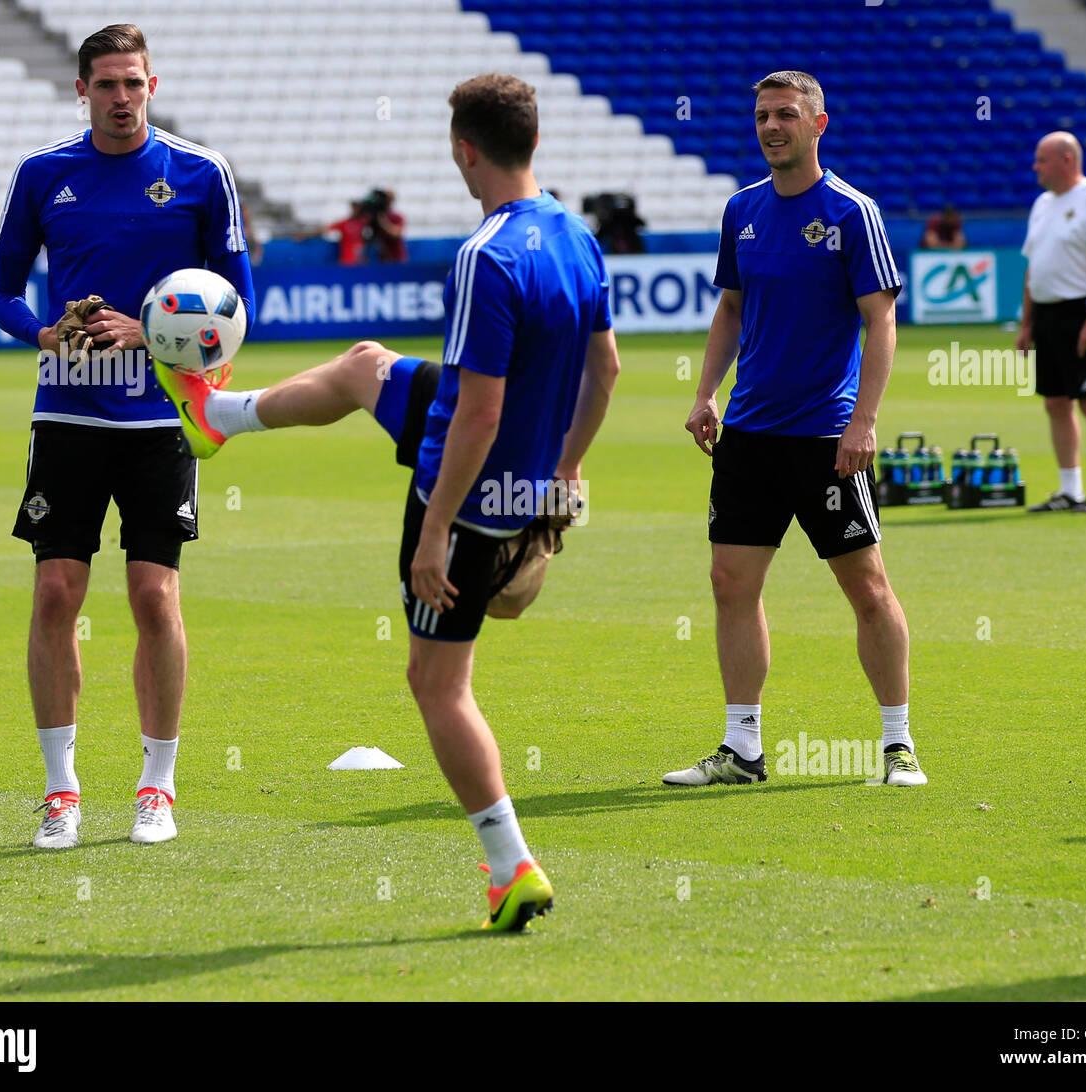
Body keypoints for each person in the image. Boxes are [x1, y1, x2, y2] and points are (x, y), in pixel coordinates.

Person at [157, 74, 620, 930]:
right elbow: (608, 371)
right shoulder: (574, 235)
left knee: (438, 681)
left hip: (470, 485)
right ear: (536, 142)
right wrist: (566, 469)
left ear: (463, 150)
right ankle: (216, 416)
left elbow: (479, 412)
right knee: (367, 366)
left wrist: (435, 529)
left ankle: (510, 862)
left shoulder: (486, 259)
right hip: (528, 477)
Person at [0, 24, 255, 849]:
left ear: (152, 84)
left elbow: (241, 304)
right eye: (105, 84)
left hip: (161, 418)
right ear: (82, 90)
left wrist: (152, 335)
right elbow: (2, 294)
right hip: (68, 414)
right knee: (55, 594)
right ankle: (61, 792)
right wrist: (43, 334)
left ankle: (158, 787)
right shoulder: (43, 174)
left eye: (133, 83)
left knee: (154, 596)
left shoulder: (201, 173)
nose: (120, 98)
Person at [664, 70, 926, 790]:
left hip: (826, 440)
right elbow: (731, 311)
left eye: (785, 114)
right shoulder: (741, 210)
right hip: (748, 436)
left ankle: (898, 744)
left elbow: (882, 319)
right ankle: (741, 750)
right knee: (729, 584)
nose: (771, 126)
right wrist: (705, 392)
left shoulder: (851, 211)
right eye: (761, 116)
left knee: (867, 589)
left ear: (818, 124)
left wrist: (864, 420)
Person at [1017, 131, 1086, 514]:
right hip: (1046, 315)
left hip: (1082, 314)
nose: (1035, 167)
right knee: (1057, 402)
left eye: (1042, 160)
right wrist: (1026, 323)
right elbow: (1033, 267)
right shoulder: (1043, 204)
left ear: (1066, 160)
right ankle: (1069, 490)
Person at [293, 201, 369, 265]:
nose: (356, 210)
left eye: (358, 208)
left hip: (362, 261)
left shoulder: (364, 222)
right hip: (348, 261)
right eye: (354, 208)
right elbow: (324, 229)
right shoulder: (345, 223)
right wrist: (305, 234)